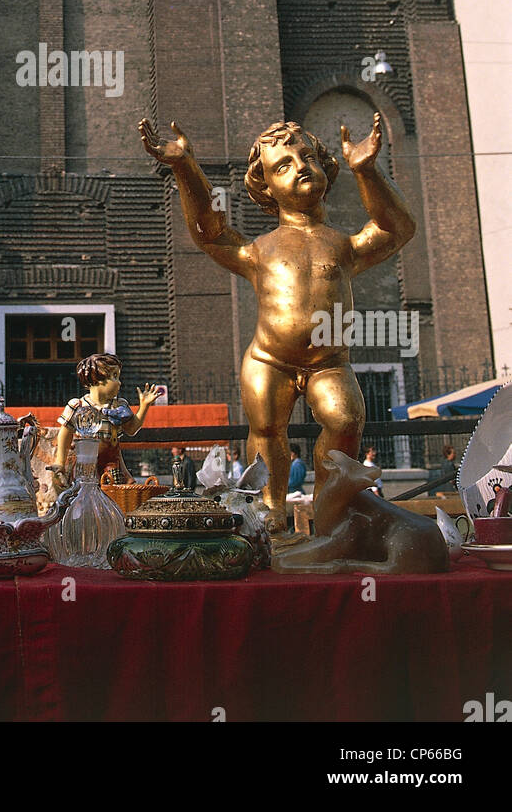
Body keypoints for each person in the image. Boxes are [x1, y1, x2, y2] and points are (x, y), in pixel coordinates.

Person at [140, 112, 415, 532]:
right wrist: (185, 167)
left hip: (328, 362)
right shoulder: (259, 250)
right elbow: (210, 232)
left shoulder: (344, 245)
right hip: (269, 360)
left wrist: (367, 171)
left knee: (345, 421)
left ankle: (331, 511)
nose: (301, 166)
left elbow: (395, 228)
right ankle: (270, 513)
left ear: (325, 165)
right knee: (267, 432)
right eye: (283, 165)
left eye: (308, 157)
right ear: (265, 185)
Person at [50, 355, 162, 490]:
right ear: (98, 379)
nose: (119, 382)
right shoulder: (77, 406)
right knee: (85, 490)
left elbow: (131, 429)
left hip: (111, 460)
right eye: (114, 376)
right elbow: (65, 434)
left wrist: (144, 406)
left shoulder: (119, 406)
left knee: (114, 490)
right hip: (85, 459)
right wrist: (60, 462)